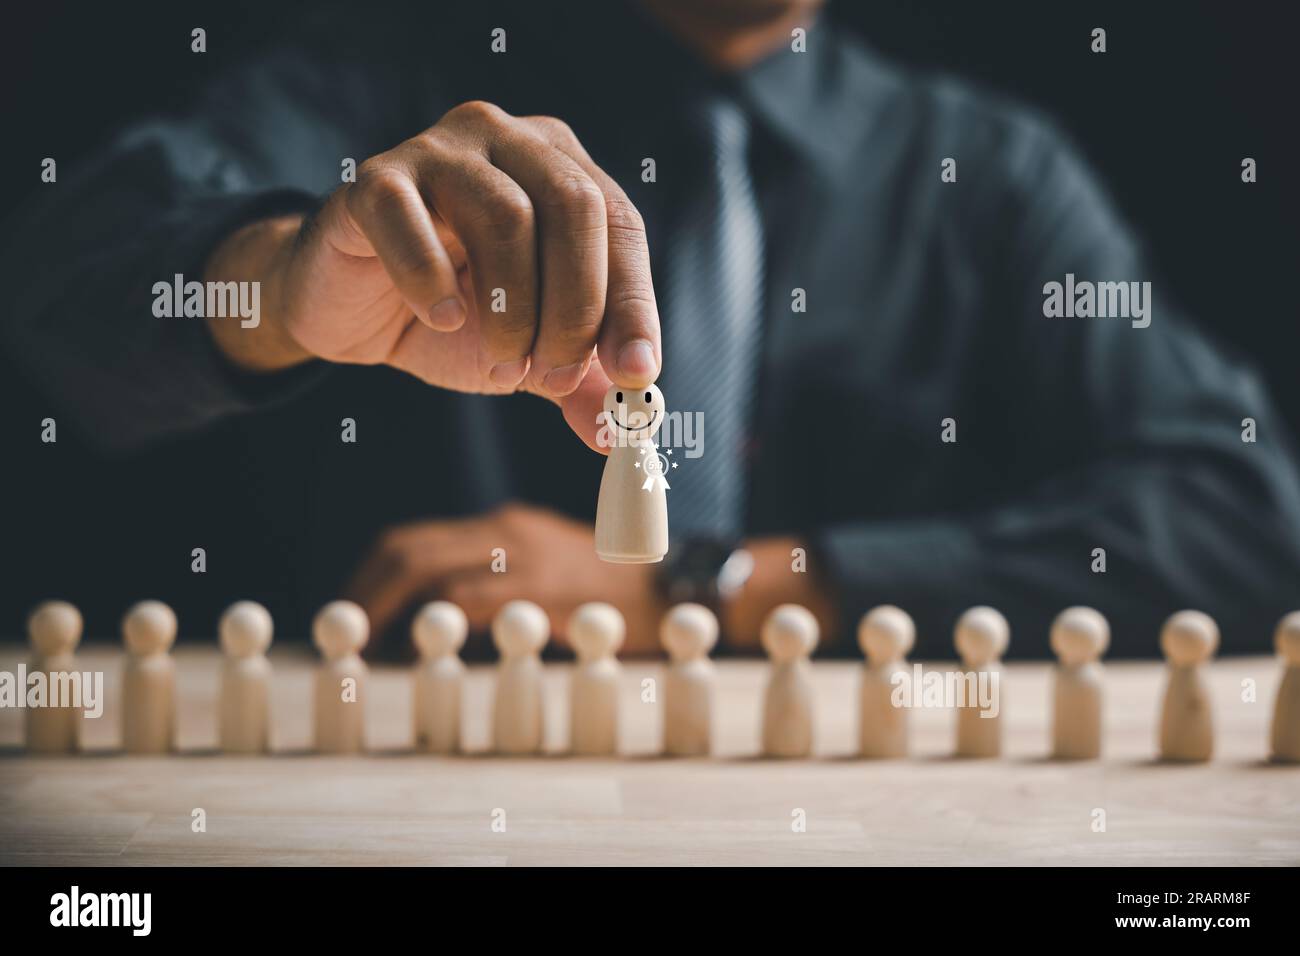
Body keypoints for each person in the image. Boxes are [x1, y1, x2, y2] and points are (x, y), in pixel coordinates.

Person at [4, 0, 1299, 658]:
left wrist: (705, 582)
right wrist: (275, 287)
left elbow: (1243, 515)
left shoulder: (990, 173)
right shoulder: (384, 85)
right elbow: (66, 320)